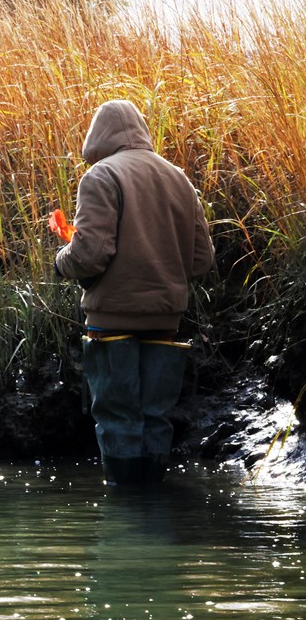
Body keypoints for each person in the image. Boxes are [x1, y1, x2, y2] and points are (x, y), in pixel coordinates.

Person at [53, 99, 214, 485]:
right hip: (165, 321)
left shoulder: (100, 177)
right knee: (155, 418)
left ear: (98, 136)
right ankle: (151, 509)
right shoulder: (179, 178)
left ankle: (126, 517)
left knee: (117, 417)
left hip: (113, 319)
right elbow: (202, 260)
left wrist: (62, 258)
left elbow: (90, 255)